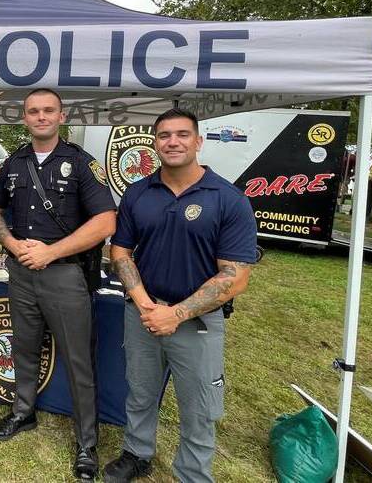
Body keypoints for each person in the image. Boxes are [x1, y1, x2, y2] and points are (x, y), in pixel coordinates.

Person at [103, 108, 258, 483]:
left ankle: (192, 473)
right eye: (165, 135)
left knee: (199, 407)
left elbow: (235, 277)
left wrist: (176, 314)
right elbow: (120, 252)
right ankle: (137, 452)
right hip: (143, 313)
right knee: (140, 391)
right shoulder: (139, 193)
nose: (173, 142)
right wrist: (145, 304)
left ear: (198, 141)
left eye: (182, 134)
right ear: (155, 143)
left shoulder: (228, 198)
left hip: (198, 322)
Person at [0, 89, 116, 480]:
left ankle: (86, 443)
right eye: (33, 111)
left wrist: (50, 252)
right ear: (24, 118)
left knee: (78, 361)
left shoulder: (80, 163)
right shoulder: (14, 162)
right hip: (21, 274)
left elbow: (106, 222)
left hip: (65, 276)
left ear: (62, 116)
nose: (40, 117)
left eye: (48, 111)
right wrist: (9, 243)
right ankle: (23, 413)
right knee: (24, 347)